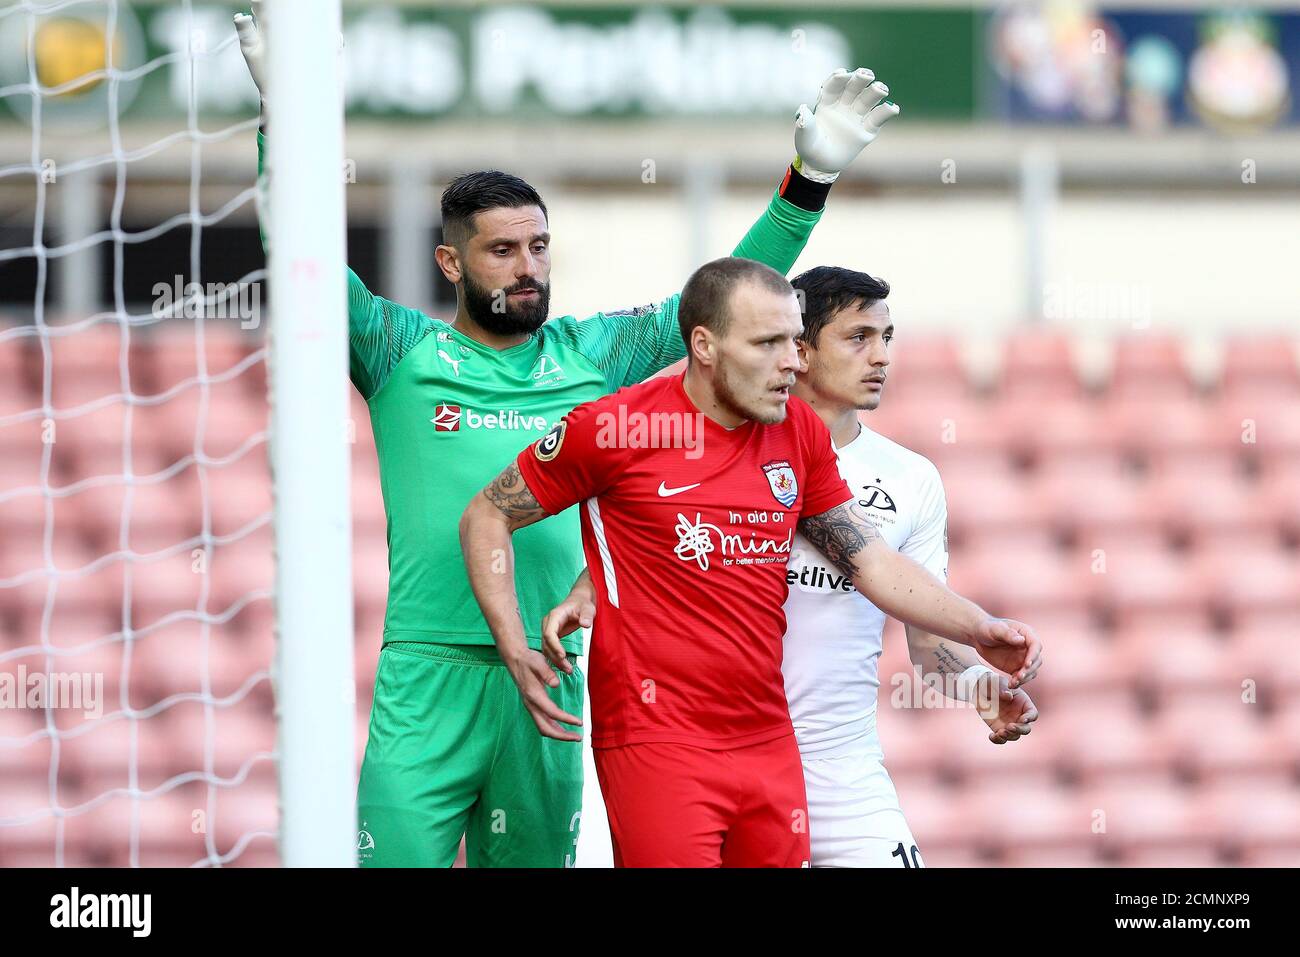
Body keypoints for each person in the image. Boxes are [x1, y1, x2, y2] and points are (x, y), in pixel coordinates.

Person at [234, 3, 901, 866]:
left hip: (552, 674)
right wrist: (281, 121)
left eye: (539, 246)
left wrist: (808, 180)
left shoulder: (594, 353)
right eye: (503, 250)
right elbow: (302, 255)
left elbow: (726, 302)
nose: (527, 267)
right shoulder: (399, 349)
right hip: (427, 671)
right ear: (450, 264)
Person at [460, 258, 1043, 867]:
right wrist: (513, 642)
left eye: (793, 341)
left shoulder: (801, 434)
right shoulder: (617, 427)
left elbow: (869, 560)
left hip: (774, 744)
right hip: (660, 741)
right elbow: (487, 515)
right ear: (705, 346)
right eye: (769, 343)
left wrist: (978, 628)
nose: (791, 361)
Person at [781, 266, 1039, 867]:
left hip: (844, 769)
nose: (881, 357)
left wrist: (977, 682)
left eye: (887, 339)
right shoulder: (737, 457)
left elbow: (928, 648)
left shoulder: (910, 477)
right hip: (732, 756)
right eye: (858, 338)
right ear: (800, 349)